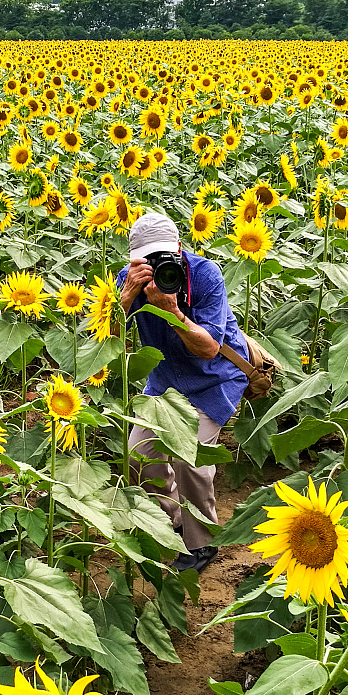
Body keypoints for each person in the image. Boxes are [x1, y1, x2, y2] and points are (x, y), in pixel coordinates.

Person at [117, 211, 248, 573]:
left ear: (178, 247)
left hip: (212, 380)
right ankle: (172, 518)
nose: (158, 266)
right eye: (147, 259)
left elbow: (207, 349)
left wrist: (172, 310)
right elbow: (109, 343)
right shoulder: (127, 281)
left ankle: (201, 541)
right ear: (134, 259)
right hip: (163, 383)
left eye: (164, 256)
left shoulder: (205, 275)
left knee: (190, 460)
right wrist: (125, 301)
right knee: (139, 455)